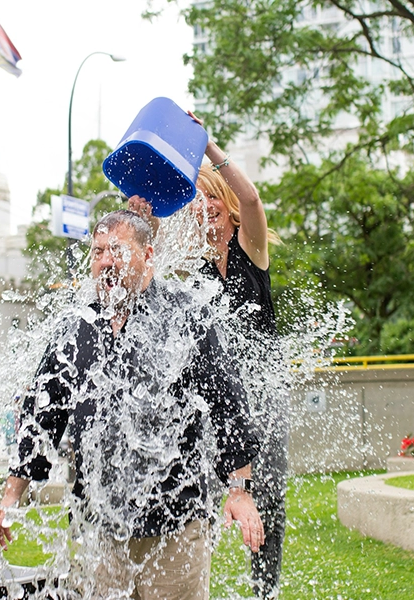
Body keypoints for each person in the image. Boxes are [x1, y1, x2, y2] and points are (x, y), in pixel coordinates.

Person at [0, 210, 263, 600]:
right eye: (98, 251)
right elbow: (40, 419)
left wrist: (239, 490)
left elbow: (228, 404)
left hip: (175, 524)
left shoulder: (185, 316)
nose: (105, 261)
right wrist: (10, 500)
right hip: (98, 527)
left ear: (148, 254)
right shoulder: (75, 327)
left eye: (117, 250)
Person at [129, 118, 288, 598]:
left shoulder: (250, 250)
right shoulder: (191, 272)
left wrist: (208, 147)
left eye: (214, 197)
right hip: (219, 401)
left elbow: (255, 201)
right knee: (203, 492)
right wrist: (142, 218)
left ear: (228, 207)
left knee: (268, 499)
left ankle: (264, 591)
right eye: (200, 200)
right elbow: (148, 277)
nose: (207, 207)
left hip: (263, 397)